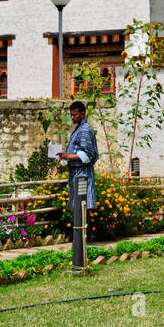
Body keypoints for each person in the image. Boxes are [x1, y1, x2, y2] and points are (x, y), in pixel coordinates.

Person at [57, 100, 99, 242]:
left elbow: (88, 155)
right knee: (79, 204)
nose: (73, 118)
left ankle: (87, 233)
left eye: (75, 115)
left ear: (82, 114)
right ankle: (81, 233)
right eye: (71, 115)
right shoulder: (79, 128)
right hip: (75, 172)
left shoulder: (85, 130)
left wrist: (68, 156)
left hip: (82, 172)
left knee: (83, 203)